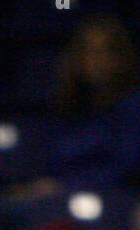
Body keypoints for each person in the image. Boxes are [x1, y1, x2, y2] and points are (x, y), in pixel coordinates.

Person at [16, 16, 140, 199]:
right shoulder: (67, 108)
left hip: (118, 203)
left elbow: (127, 169)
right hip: (59, 202)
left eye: (104, 52)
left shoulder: (133, 108)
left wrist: (65, 186)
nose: (96, 61)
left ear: (121, 58)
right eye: (88, 52)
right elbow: (53, 164)